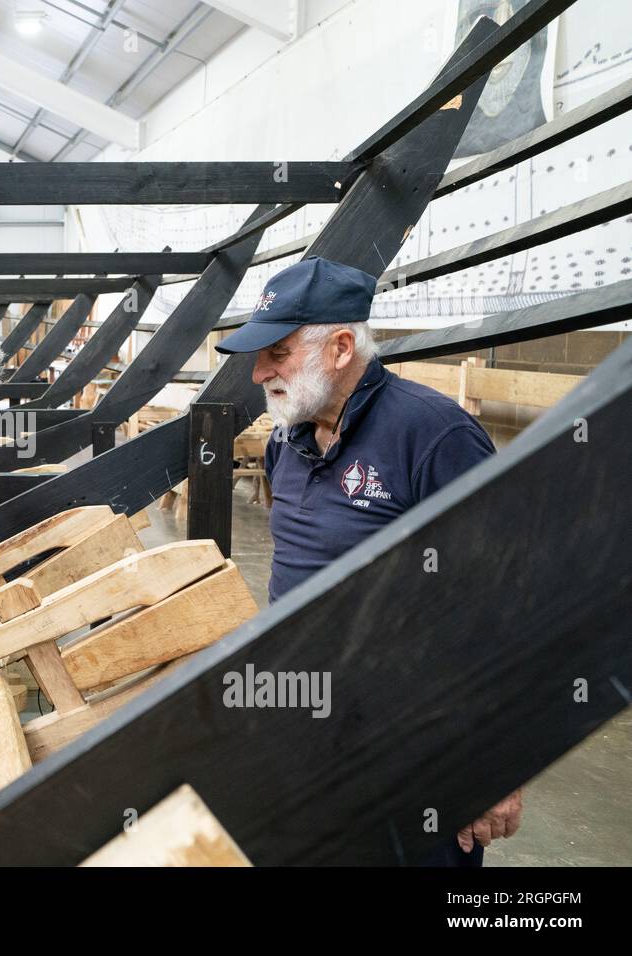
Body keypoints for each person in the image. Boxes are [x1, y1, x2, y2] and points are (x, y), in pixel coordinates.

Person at [215, 256, 522, 866]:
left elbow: (507, 597)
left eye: (276, 354)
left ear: (340, 346)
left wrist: (496, 763)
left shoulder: (432, 436)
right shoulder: (288, 441)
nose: (259, 374)